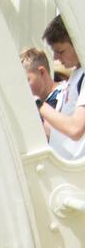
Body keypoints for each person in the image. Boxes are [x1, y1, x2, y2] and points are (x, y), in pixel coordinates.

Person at [38, 16, 85, 162]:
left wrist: (39, 105)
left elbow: (75, 129)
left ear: (77, 43)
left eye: (60, 51)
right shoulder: (76, 75)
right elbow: (60, 133)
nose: (55, 58)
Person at [20, 47, 64, 117]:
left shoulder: (65, 94)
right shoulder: (32, 108)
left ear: (42, 72)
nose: (24, 87)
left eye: (27, 80)